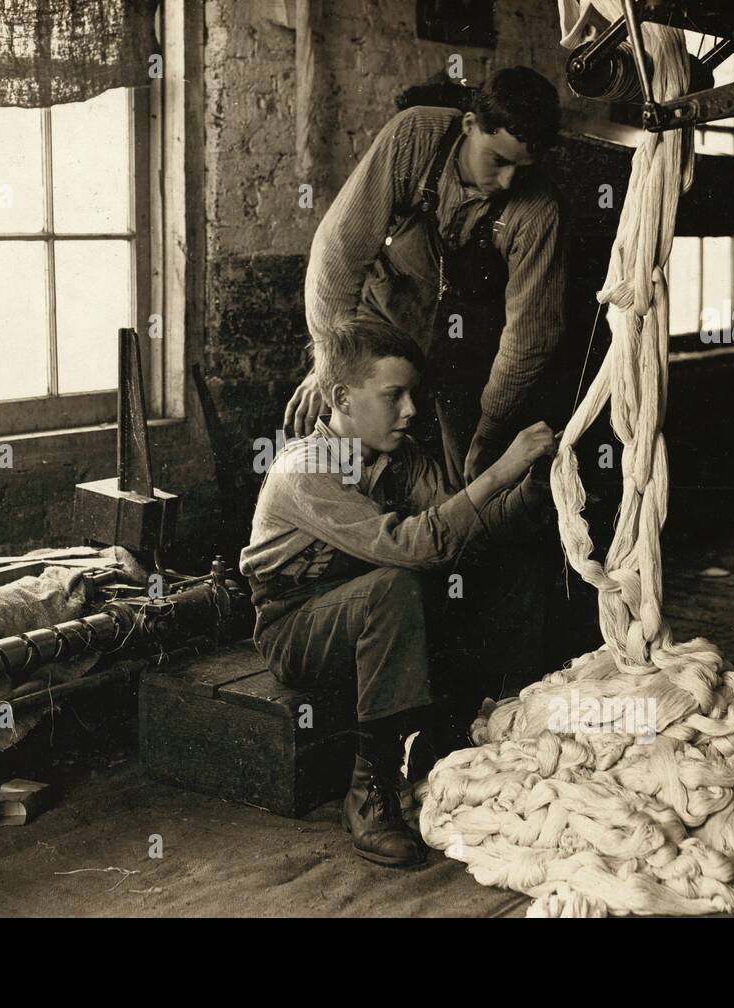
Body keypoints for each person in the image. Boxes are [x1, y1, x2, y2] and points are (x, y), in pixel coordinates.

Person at [240, 319, 556, 867]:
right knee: (399, 584)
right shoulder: (303, 469)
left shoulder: (399, 457)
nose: (410, 410)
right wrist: (501, 471)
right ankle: (369, 794)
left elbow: (466, 532)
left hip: (374, 616)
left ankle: (442, 744)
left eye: (412, 394)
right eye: (394, 395)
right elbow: (417, 547)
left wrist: (533, 487)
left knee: (498, 574)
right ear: (341, 397)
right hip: (296, 629)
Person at [286, 66, 566, 489]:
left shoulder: (539, 211)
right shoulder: (414, 137)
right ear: (471, 125)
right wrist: (329, 366)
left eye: (522, 170)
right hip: (384, 324)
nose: (508, 181)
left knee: (468, 478)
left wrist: (489, 428)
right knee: (345, 453)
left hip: (467, 350)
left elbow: (529, 338)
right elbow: (339, 252)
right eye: (499, 161)